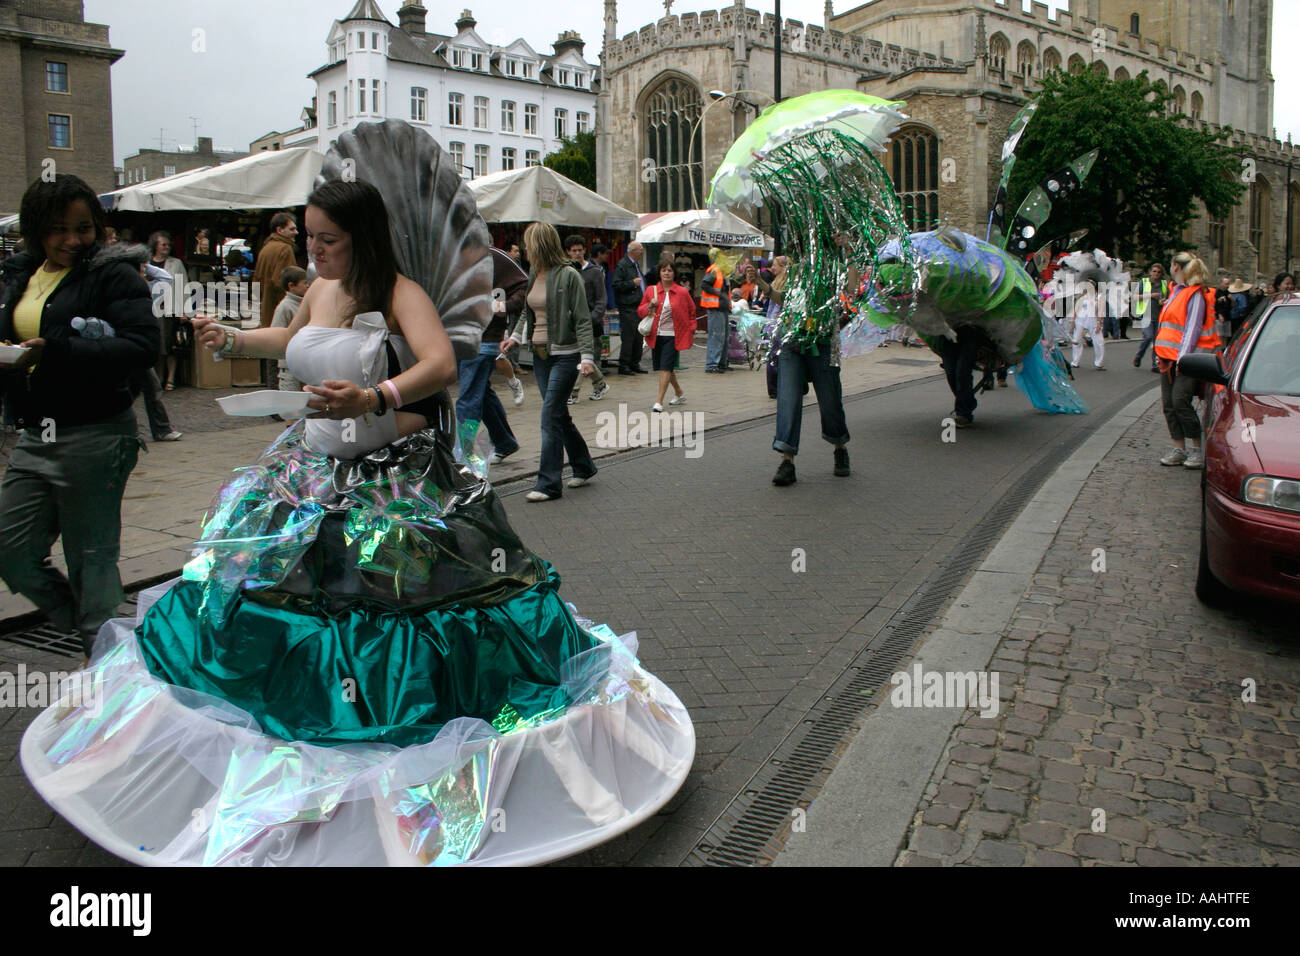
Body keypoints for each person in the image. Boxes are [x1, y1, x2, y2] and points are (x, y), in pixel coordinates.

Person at [19, 161, 693, 867]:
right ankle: (297, 721)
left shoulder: (402, 292)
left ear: (362, 236)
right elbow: (294, 341)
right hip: (309, 471)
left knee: (387, 605)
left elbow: (436, 365)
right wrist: (236, 340)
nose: (314, 252)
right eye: (309, 238)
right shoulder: (320, 286)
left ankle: (385, 739)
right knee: (261, 586)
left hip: (390, 480)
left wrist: (374, 399)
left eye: (328, 240)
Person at [0, 173, 159, 662]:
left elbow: (142, 345)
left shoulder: (113, 276)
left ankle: (108, 670)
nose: (73, 240)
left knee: (92, 559)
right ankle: (93, 631)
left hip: (95, 433)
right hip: (35, 434)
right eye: (59, 229)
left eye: (84, 228)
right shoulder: (19, 274)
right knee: (13, 550)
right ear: (35, 230)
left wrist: (61, 349)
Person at [501, 221, 598, 501]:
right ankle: (583, 465)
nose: (526, 249)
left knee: (549, 417)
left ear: (540, 245)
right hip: (541, 356)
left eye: (529, 244)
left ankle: (548, 483)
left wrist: (587, 358)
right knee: (558, 415)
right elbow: (527, 314)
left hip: (566, 356)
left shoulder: (569, 276)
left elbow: (582, 319)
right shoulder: (534, 273)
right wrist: (515, 338)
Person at [771, 260, 850, 485]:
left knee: (830, 401)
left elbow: (852, 290)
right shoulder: (794, 270)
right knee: (788, 400)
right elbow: (784, 300)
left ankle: (839, 447)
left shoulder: (833, 266)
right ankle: (787, 461)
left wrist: (849, 252)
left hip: (822, 343)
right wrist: (762, 284)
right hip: (792, 342)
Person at [456, 246, 525, 464]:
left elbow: (525, 285)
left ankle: (464, 457)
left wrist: (501, 307)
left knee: (468, 399)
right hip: (461, 336)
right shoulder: (450, 255)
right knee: (479, 393)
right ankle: (504, 442)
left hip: (483, 339)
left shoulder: (493, 256)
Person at [1154, 252, 1219, 469]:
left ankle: (1196, 450)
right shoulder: (1176, 291)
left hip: (1186, 360)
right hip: (1168, 357)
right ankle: (1179, 449)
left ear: (1175, 267)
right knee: (1169, 405)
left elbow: (1192, 329)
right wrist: (1159, 353)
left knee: (1180, 401)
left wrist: (1183, 359)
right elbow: (1167, 327)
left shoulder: (1195, 294)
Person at [638, 256, 696, 412]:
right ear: (659, 273)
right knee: (665, 367)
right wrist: (650, 305)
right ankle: (678, 392)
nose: (667, 273)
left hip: (673, 335)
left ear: (674, 273)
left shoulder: (682, 292)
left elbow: (691, 311)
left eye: (670, 270)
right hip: (656, 335)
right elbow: (640, 310)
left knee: (665, 367)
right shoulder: (652, 290)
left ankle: (658, 401)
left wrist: (691, 329)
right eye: (664, 270)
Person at [564, 234, 609, 403]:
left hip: (589, 322)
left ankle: (573, 393)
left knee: (581, 357)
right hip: (570, 322)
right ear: (568, 252)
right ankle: (600, 384)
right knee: (582, 357)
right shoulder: (566, 271)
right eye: (573, 250)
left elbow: (601, 299)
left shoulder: (594, 272)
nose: (577, 253)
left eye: (580, 250)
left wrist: (593, 318)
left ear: (585, 251)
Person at [148, 231, 186, 390]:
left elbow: (183, 285)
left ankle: (170, 379)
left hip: (169, 308)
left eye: (168, 245)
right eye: (163, 244)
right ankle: (158, 378)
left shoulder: (175, 263)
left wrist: (183, 310)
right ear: (155, 245)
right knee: (156, 346)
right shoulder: (146, 263)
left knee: (169, 345)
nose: (167, 247)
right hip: (150, 309)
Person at [253, 212, 299, 329]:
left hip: (267, 308)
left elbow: (256, 281)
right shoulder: (285, 249)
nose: (296, 232)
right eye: (292, 229)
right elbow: (282, 283)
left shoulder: (266, 248)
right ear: (279, 230)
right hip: (279, 310)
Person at [270, 265, 310, 393]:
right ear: (291, 286)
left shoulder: (306, 304)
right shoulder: (284, 307)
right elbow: (275, 334)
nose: (308, 286)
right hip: (289, 366)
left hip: (307, 363)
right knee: (291, 403)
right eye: (304, 283)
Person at [612, 240, 647, 375]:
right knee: (629, 337)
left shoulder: (635, 265)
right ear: (632, 251)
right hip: (628, 306)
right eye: (640, 249)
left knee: (639, 336)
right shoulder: (622, 265)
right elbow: (616, 285)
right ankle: (624, 364)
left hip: (638, 306)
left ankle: (634, 363)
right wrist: (631, 283)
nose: (642, 252)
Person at [1132, 262, 1169, 371]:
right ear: (1150, 272)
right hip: (1146, 314)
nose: (1156, 274)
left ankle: (1155, 364)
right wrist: (1151, 295)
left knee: (1157, 341)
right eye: (1154, 271)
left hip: (1159, 316)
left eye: (1158, 272)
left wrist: (1164, 301)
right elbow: (1134, 297)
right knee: (1148, 336)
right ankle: (1138, 355)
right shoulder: (1143, 282)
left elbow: (1169, 298)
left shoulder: (1164, 284)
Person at [701, 246, 730, 372]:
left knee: (724, 336)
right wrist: (718, 294)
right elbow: (704, 284)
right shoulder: (714, 270)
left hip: (722, 307)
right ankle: (712, 364)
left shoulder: (721, 271)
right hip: (715, 307)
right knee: (717, 336)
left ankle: (721, 363)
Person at [1069, 280, 1105, 371]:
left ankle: (1099, 363)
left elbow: (1101, 311)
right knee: (1076, 340)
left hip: (1093, 320)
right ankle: (1075, 361)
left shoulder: (1100, 296)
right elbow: (1077, 308)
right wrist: (1073, 320)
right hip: (1080, 320)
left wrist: (1099, 323)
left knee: (1099, 342)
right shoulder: (1083, 296)